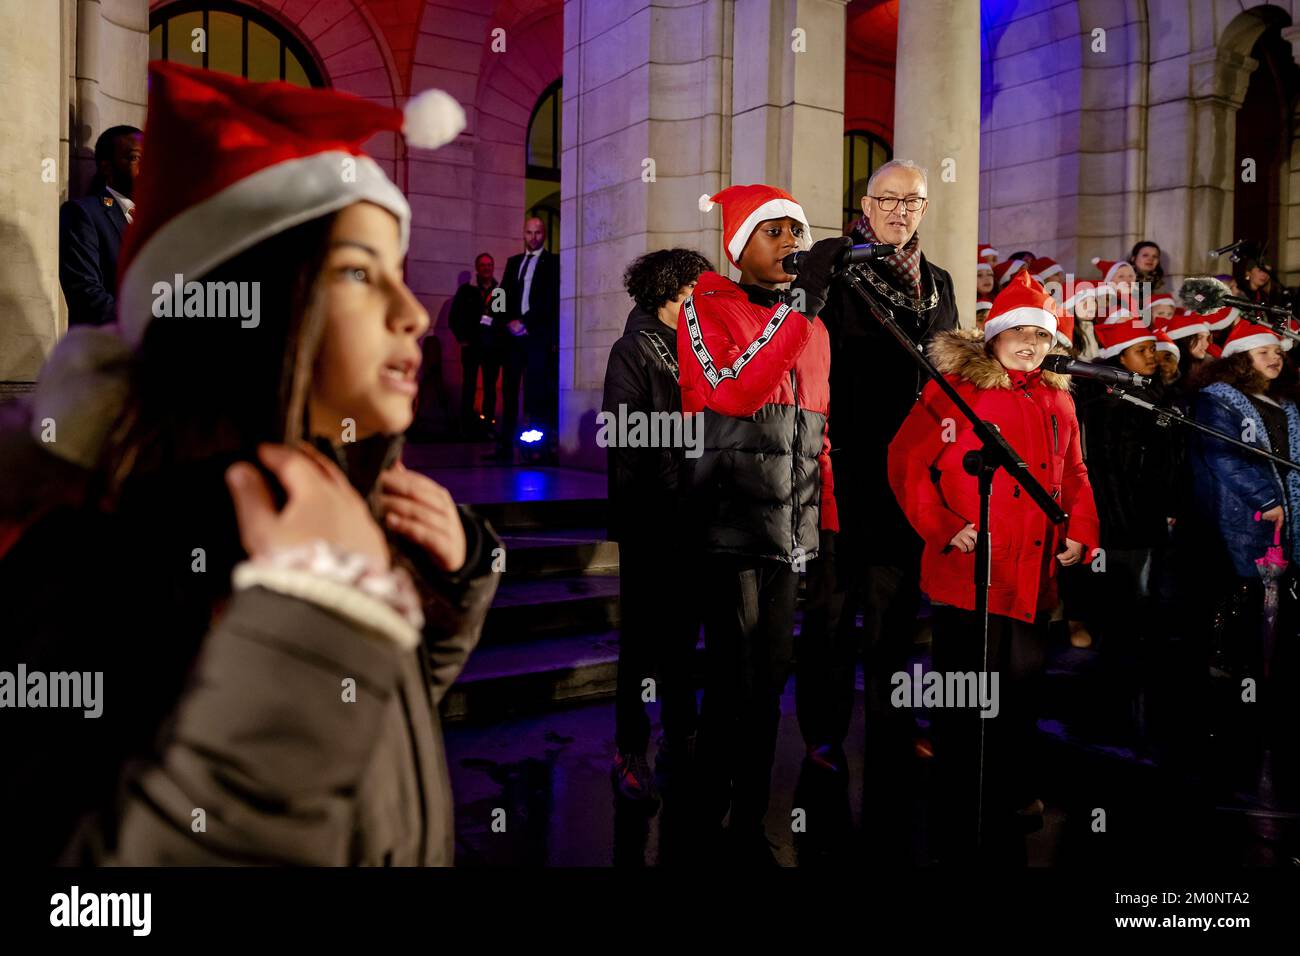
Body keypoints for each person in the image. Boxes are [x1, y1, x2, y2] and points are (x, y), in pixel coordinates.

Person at [0, 62, 498, 866]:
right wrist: (315, 636)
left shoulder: (333, 503)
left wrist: (441, 601)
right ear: (248, 302)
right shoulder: (94, 560)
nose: (412, 316)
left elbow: (350, 754)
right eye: (360, 273)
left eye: (399, 276)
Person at [888, 270, 1099, 861]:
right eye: (1020, 332)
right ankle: (960, 789)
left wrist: (1081, 529)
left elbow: (1076, 473)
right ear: (995, 336)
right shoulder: (955, 390)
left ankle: (1012, 787)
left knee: (1022, 688)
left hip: (1033, 573)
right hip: (971, 569)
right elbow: (906, 459)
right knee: (965, 687)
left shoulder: (1058, 397)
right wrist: (944, 526)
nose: (1031, 343)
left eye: (1042, 333)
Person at [682, 183, 846, 864]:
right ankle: (704, 808)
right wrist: (795, 318)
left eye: (795, 232)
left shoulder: (812, 328)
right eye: (772, 232)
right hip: (732, 517)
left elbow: (817, 431)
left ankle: (750, 811)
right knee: (734, 671)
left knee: (774, 668)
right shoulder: (707, 307)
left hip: (795, 527)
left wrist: (828, 517)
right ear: (738, 244)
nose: (790, 244)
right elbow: (730, 391)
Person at [795, 158, 959, 785]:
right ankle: (824, 735)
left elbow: (944, 368)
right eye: (887, 200)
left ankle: (892, 725)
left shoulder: (939, 280)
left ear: (923, 209)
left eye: (911, 201)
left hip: (911, 472)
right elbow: (797, 325)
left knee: (893, 618)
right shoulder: (836, 263)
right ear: (865, 204)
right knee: (832, 614)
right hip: (843, 465)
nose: (898, 210)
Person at [603, 248, 713, 801]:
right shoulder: (633, 350)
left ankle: (681, 739)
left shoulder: (698, 347)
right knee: (643, 642)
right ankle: (629, 752)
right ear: (670, 294)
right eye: (695, 290)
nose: (704, 300)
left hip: (696, 518)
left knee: (682, 640)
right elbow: (627, 440)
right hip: (652, 520)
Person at [1077, 321, 1178, 742]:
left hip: (1148, 514)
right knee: (1124, 598)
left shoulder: (1153, 396)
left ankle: (1133, 674)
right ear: (1119, 357)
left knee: (1145, 595)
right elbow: (1111, 471)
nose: (1152, 356)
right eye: (1141, 350)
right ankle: (1111, 705)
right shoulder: (1110, 404)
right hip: (1123, 519)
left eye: (1153, 348)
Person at [1192, 320, 1300, 681]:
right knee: (1242, 586)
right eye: (1263, 352)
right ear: (1240, 360)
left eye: (1277, 351)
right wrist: (1265, 498)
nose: (1274, 358)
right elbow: (1223, 455)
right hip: (1242, 510)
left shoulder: (1280, 399)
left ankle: (1263, 661)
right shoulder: (1218, 399)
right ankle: (1229, 664)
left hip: (1280, 507)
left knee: (1270, 586)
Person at [59, 125, 142, 327]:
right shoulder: (83, 213)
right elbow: (86, 293)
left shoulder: (157, 217)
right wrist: (144, 326)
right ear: (107, 167)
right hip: (111, 347)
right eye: (134, 157)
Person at [495, 217, 560, 462]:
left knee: (537, 392)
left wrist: (525, 322)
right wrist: (505, 321)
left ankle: (538, 449)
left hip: (536, 337)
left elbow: (550, 299)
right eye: (529, 232)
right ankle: (504, 448)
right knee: (509, 392)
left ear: (544, 235)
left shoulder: (553, 263)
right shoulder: (513, 262)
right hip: (512, 339)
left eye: (538, 233)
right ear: (523, 234)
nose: (533, 237)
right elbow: (500, 294)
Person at [449, 252, 501, 437]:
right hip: (472, 346)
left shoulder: (498, 291)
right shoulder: (466, 290)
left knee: (490, 388)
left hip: (491, 348)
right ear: (477, 268)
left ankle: (488, 424)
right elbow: (454, 316)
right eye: (483, 265)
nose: (487, 268)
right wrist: (461, 338)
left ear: (493, 267)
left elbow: (500, 318)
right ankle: (467, 425)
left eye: (489, 264)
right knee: (469, 385)